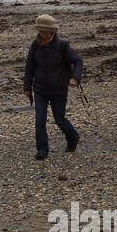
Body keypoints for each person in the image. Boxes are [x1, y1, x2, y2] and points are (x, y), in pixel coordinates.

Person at [23, 14, 83, 162]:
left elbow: (78, 61)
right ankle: (42, 150)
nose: (43, 34)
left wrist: (75, 78)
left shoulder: (63, 46)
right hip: (40, 90)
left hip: (59, 90)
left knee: (60, 119)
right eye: (41, 31)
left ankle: (73, 137)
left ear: (52, 31)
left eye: (46, 31)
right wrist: (27, 87)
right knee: (40, 121)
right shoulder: (35, 46)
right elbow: (29, 67)